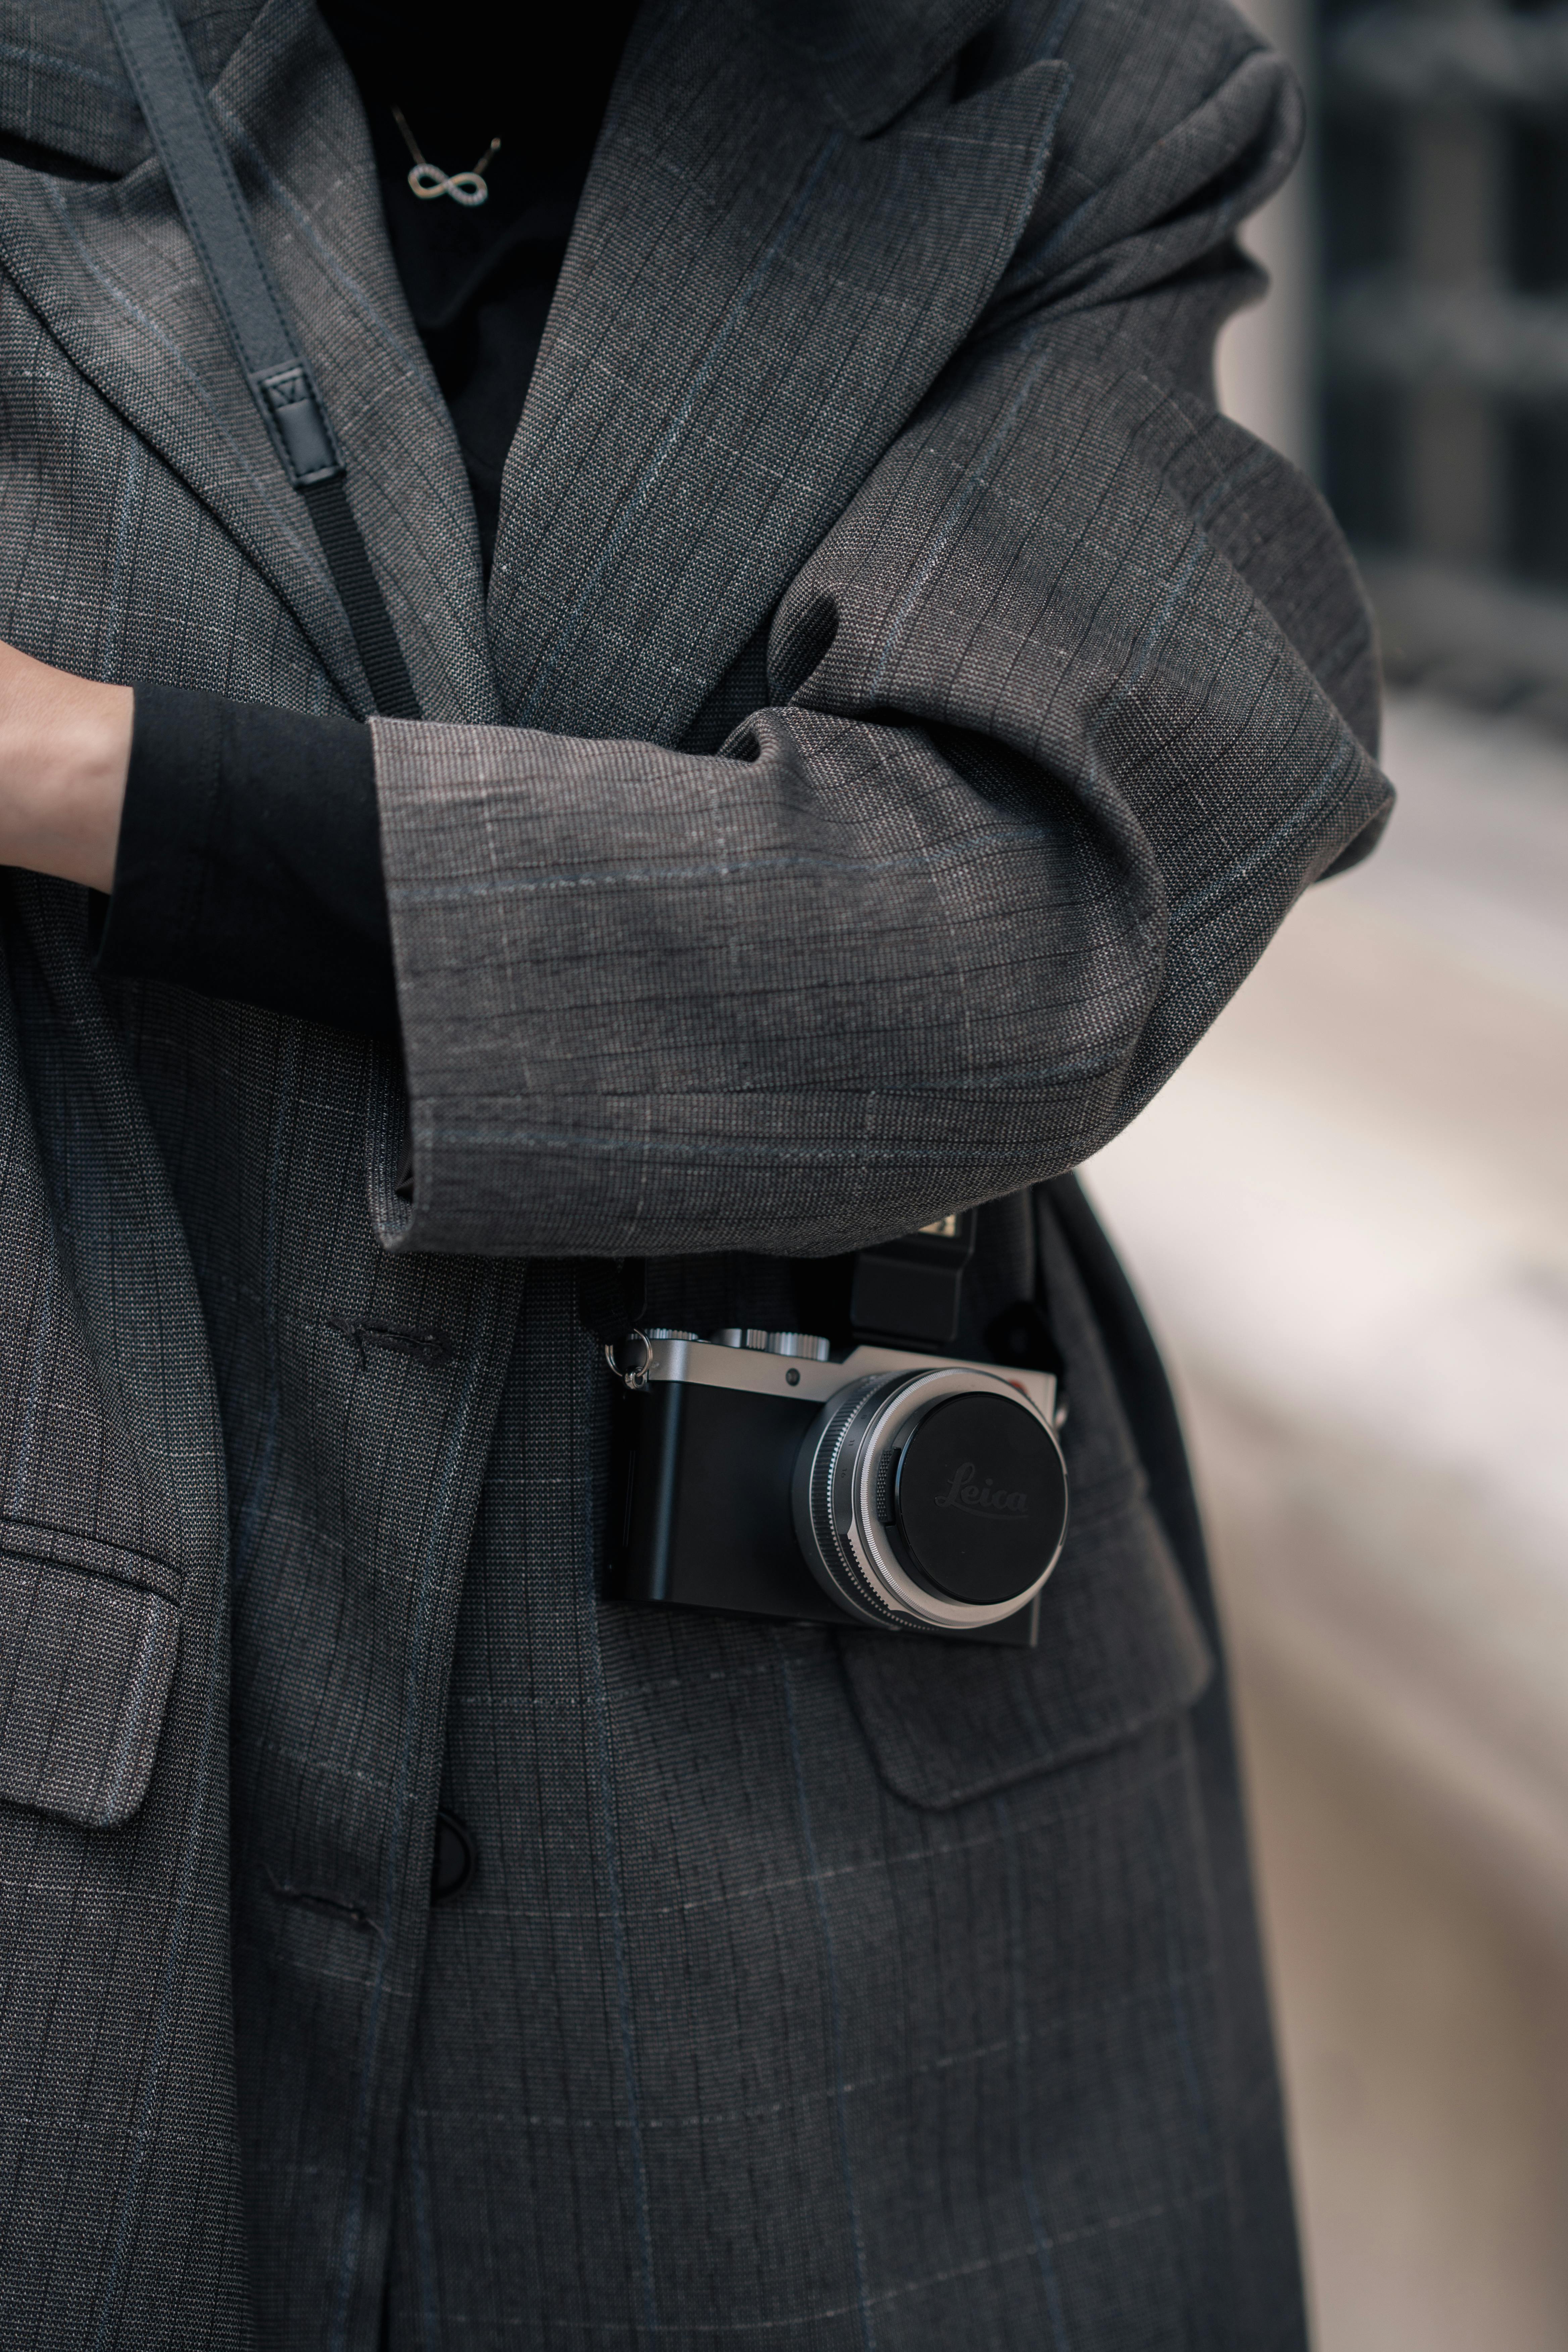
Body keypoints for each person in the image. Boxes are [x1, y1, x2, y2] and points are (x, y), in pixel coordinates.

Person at [0, 1, 1389, 2345]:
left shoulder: (1078, 95)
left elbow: (1016, 925)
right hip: (95, 1771)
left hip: (808, 1910)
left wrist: (85, 774)